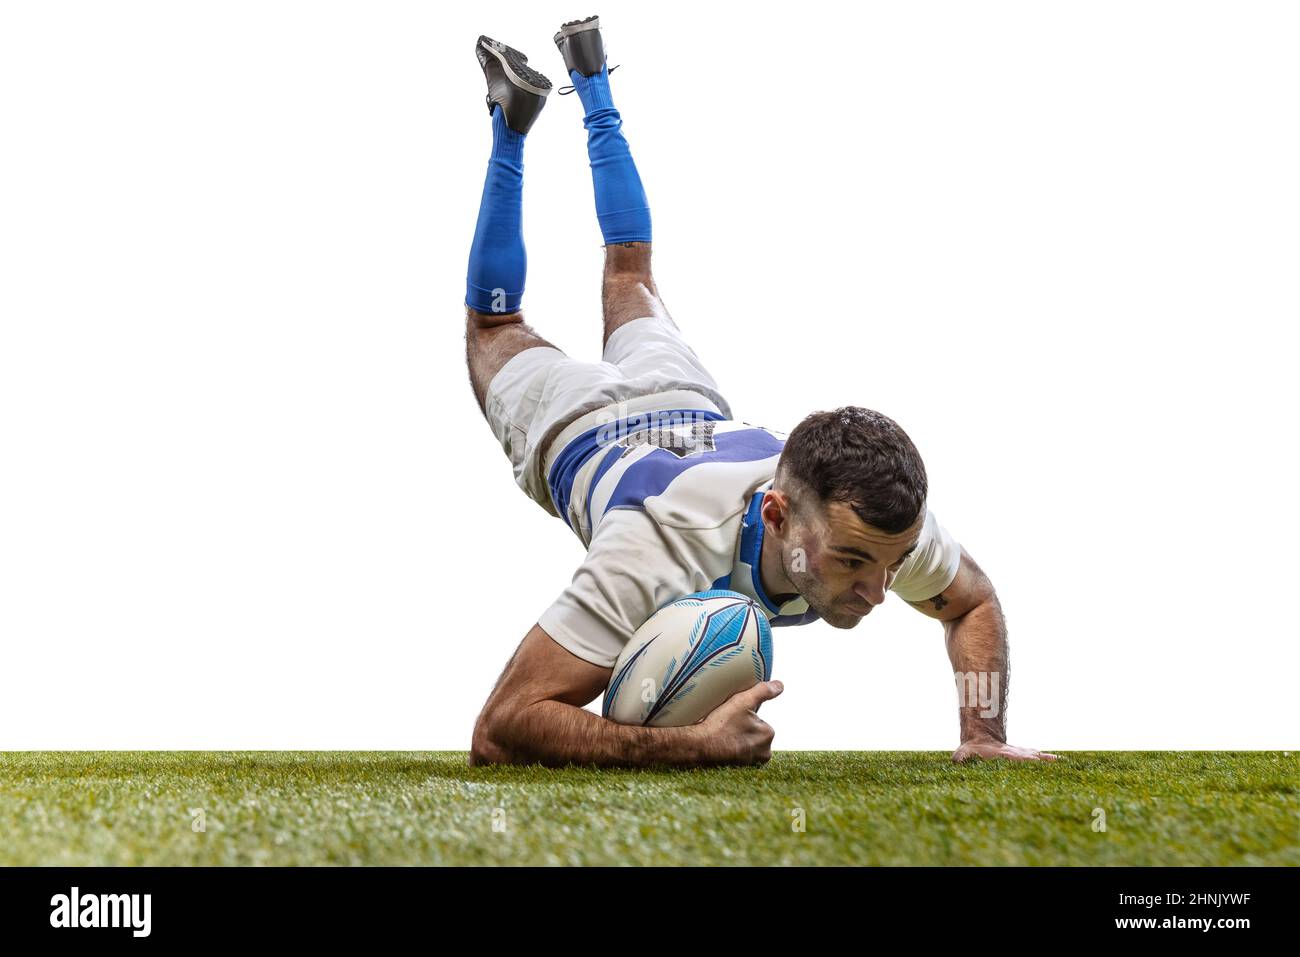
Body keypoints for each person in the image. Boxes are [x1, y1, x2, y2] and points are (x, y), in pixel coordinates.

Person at [464, 16, 1058, 768]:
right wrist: (687, 745)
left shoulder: (878, 524)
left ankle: (593, 83)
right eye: (850, 562)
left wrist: (983, 737)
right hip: (579, 419)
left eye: (889, 562)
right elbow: (500, 728)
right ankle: (513, 121)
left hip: (684, 400)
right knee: (496, 323)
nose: (880, 590)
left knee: (631, 273)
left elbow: (972, 601)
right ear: (777, 513)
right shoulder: (656, 551)